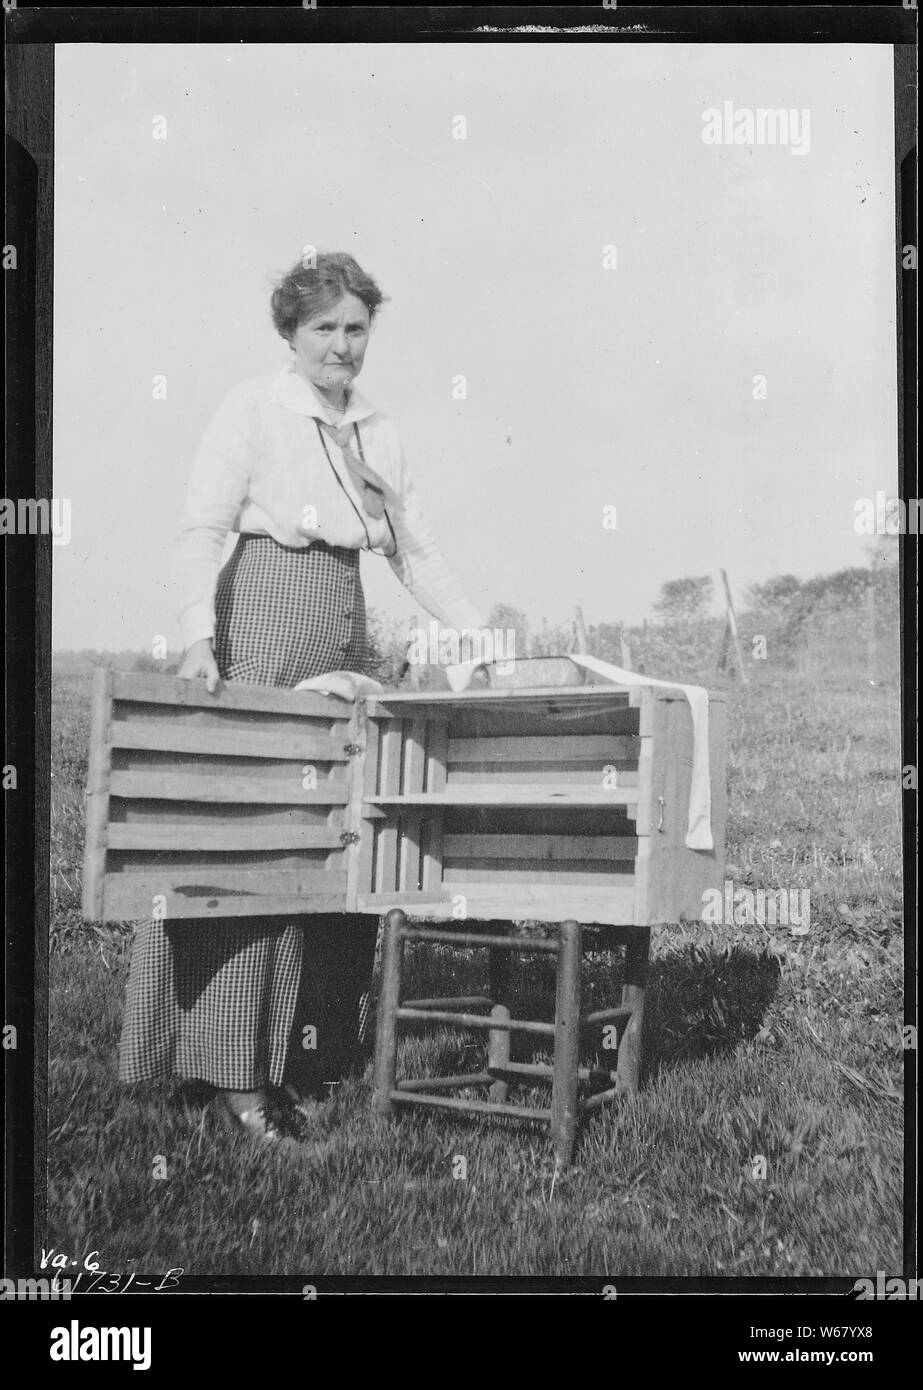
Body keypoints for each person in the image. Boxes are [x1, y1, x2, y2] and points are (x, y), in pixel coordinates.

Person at [118, 251, 485, 1144]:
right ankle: (234, 1083)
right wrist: (201, 639)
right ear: (291, 332)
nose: (342, 345)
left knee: (329, 853)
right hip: (258, 621)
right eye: (324, 327)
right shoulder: (252, 408)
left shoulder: (378, 429)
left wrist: (475, 640)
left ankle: (298, 1062)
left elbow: (414, 550)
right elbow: (200, 529)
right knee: (251, 855)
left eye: (356, 328)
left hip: (339, 625)